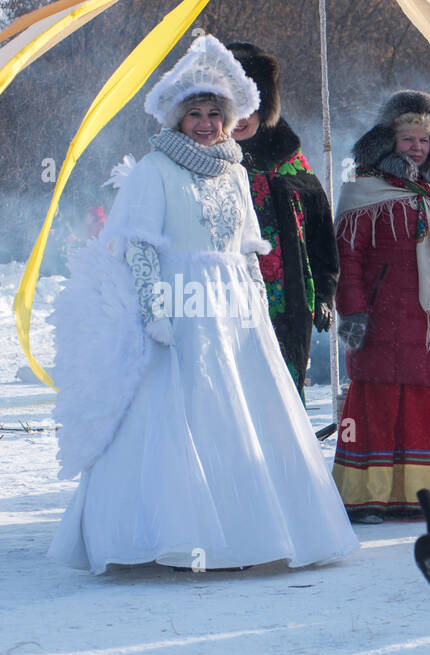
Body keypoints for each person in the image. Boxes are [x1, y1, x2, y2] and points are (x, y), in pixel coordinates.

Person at [47, 35, 358, 573]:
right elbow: (140, 247)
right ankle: (168, 533)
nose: (207, 123)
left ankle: (250, 531)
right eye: (196, 113)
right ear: (177, 117)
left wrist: (258, 307)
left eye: (216, 113)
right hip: (177, 309)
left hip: (234, 311)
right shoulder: (154, 171)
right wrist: (154, 312)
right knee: (172, 415)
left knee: (241, 412)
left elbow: (247, 249)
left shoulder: (236, 172)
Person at [330, 90, 430, 523]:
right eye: (408, 138)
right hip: (382, 324)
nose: (416, 147)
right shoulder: (361, 193)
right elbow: (347, 259)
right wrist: (352, 312)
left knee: (426, 408)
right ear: (389, 139)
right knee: (378, 405)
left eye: (424, 140)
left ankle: (426, 497)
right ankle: (369, 496)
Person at [228, 42, 339, 400]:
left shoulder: (289, 159)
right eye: (233, 107)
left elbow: (320, 228)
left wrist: (325, 291)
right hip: (226, 296)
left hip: (288, 296)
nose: (242, 118)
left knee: (282, 391)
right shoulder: (207, 163)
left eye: (251, 107)